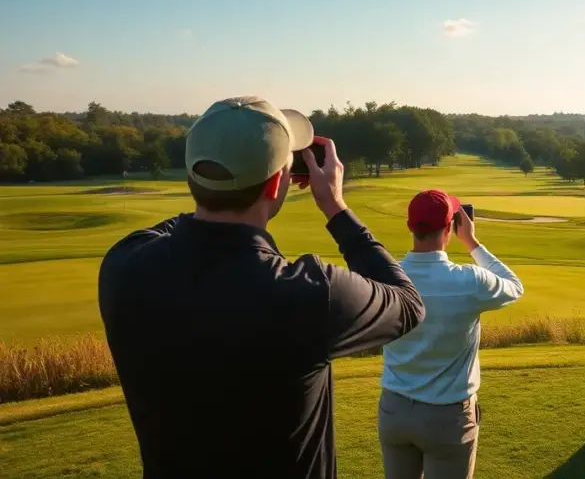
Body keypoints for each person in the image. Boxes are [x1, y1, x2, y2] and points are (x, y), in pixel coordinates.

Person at [98, 96, 426, 479]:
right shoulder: (311, 295)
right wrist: (335, 205)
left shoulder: (123, 265)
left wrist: (218, 190)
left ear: (191, 176)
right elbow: (407, 303)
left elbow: (186, 224)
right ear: (276, 184)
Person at [377, 190, 524, 479]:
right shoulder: (469, 279)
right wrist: (471, 241)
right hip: (447, 415)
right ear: (449, 228)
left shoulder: (386, 277)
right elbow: (514, 286)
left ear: (410, 226)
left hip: (394, 410)